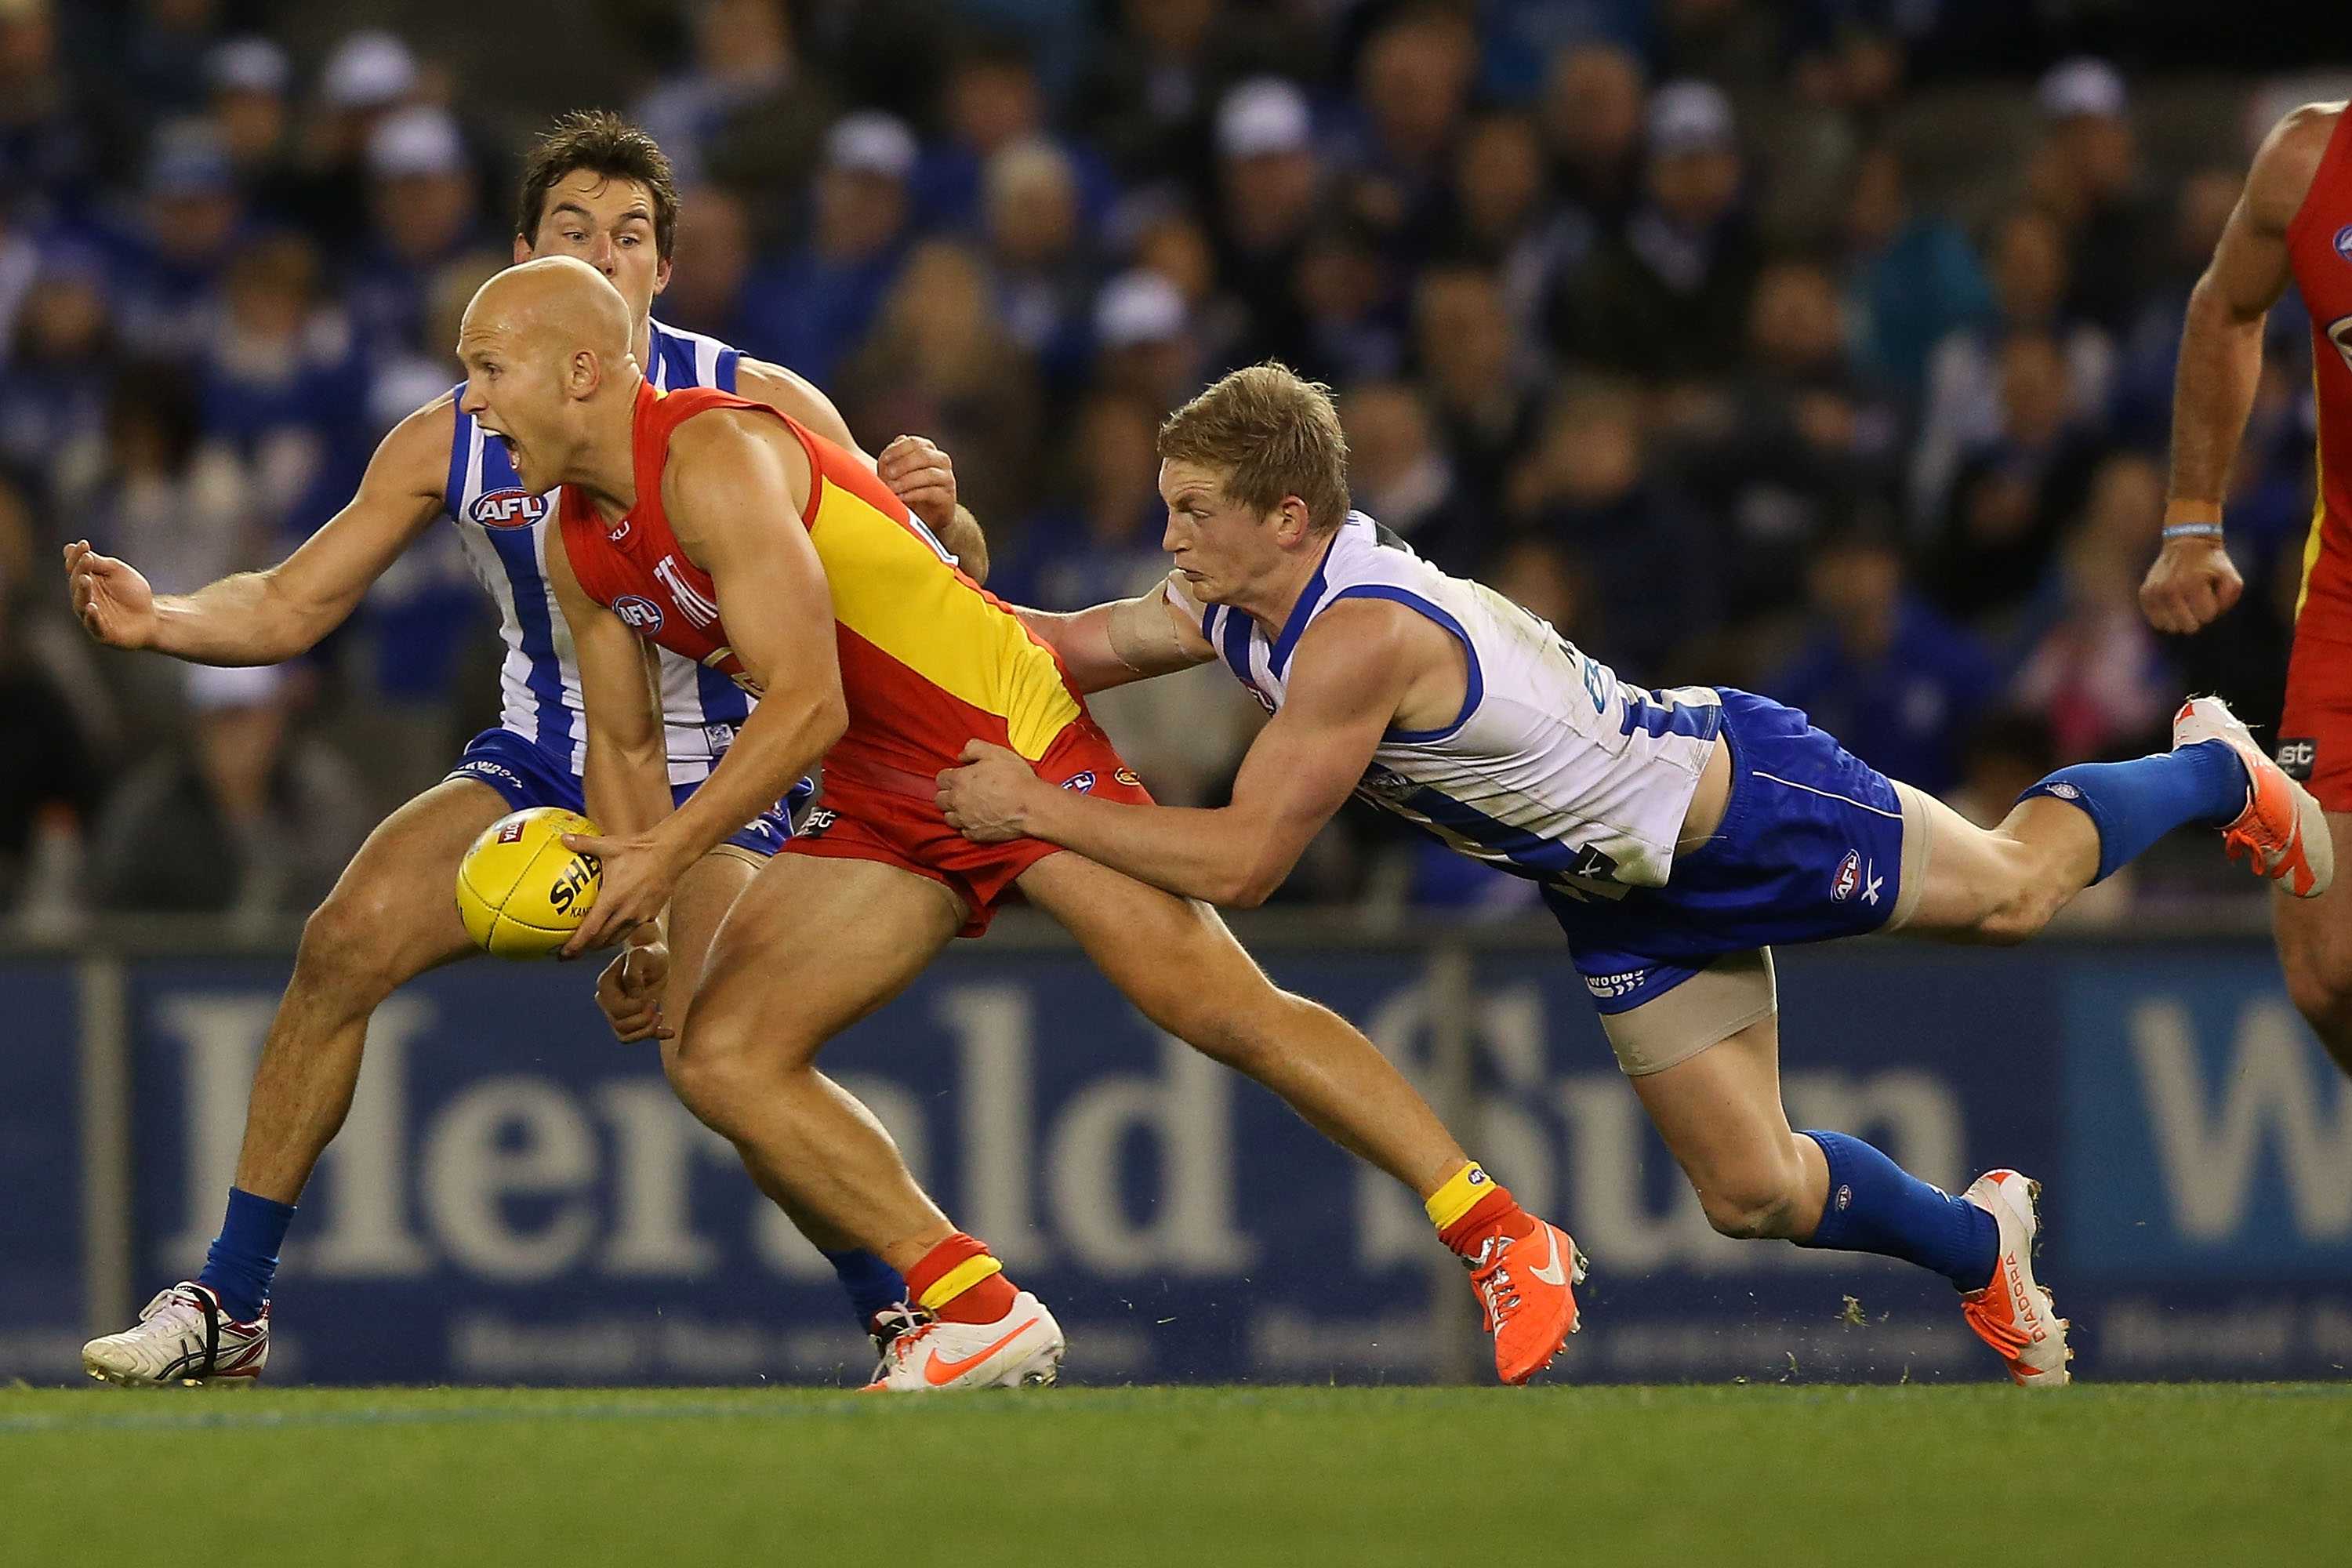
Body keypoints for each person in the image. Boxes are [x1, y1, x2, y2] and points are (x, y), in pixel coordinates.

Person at [935, 362, 2337, 1389]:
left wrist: (1037, 811)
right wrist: (933, 559)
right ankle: (1982, 1249)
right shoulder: (1231, 601)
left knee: (2021, 896)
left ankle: (2216, 762)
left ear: (1287, 517)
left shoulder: (1356, 633)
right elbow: (1057, 644)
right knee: (1754, 1192)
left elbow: (1242, 864)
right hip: (1618, 888)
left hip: (1735, 806)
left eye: (1193, 510)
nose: (1170, 534)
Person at [478, 256, 1581, 1392]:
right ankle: (976, 1310)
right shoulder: (574, 542)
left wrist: (663, 855)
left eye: (487, 368)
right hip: (875, 783)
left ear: (578, 372)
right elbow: (624, 748)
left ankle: (1501, 1231)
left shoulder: (713, 454)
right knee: (722, 1057)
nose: (471, 399)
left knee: (1222, 1010)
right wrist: (643, 926)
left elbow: (808, 701)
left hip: (1000, 734)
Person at [66, 111, 986, 1387]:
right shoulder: (457, 429)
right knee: (343, 939)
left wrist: (954, 519)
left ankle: (910, 1307)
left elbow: (934, 596)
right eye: (573, 234)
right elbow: (290, 601)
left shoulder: (758, 404)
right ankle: (229, 1303)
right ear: (520, 267)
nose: (604, 258)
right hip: (543, 759)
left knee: (718, 1050)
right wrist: (162, 615)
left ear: (665, 268)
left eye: (630, 238)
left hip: (733, 774)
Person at [2139, 100, 2352, 1080]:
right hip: (2350, 592)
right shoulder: (2310, 160)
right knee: (2327, 969)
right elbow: (2227, 305)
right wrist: (2191, 518)